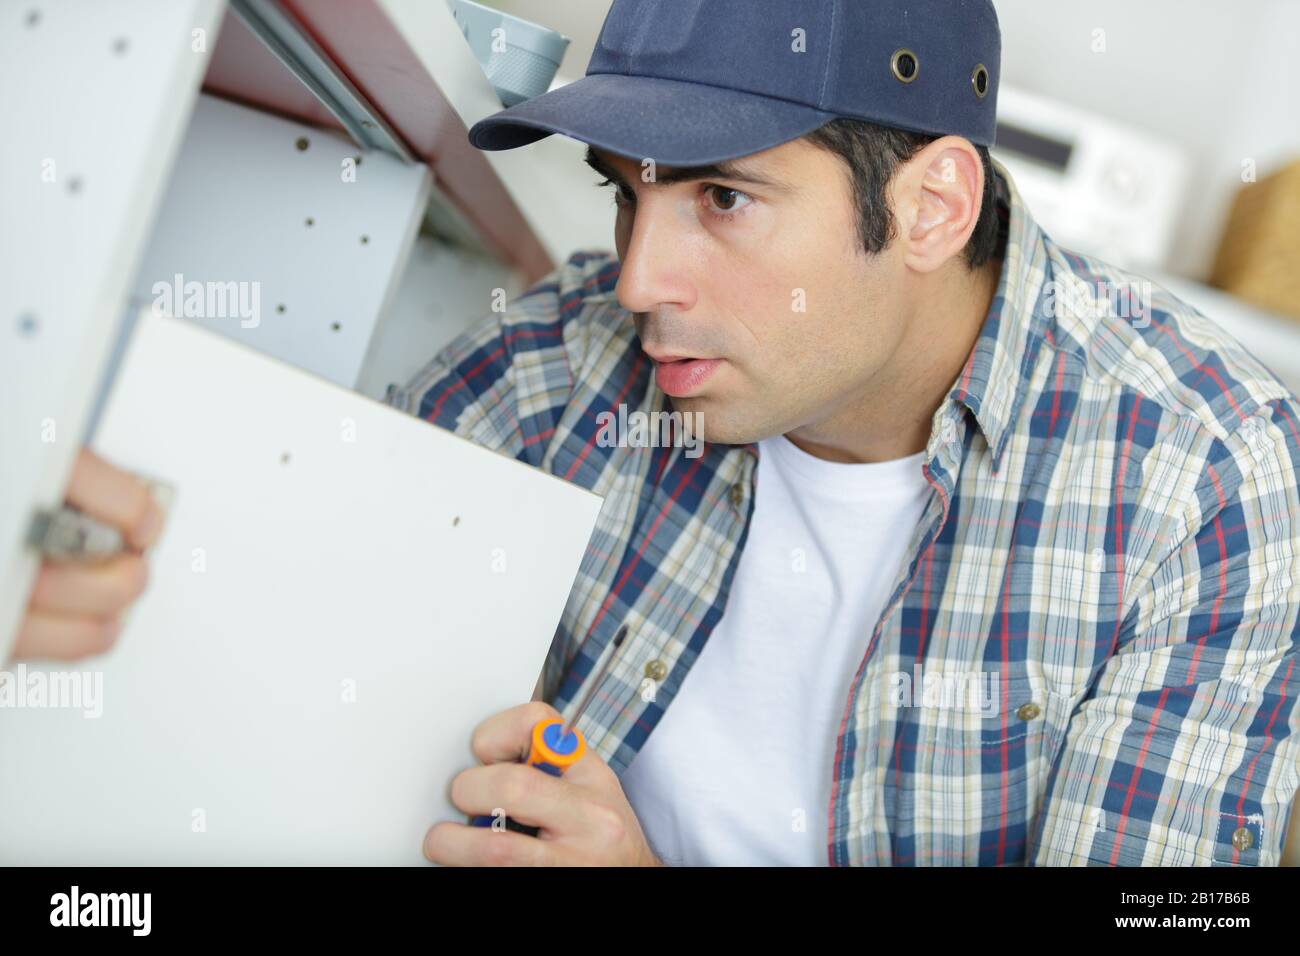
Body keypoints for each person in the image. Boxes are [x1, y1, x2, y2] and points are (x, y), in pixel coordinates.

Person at [13, 0, 1300, 866]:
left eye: (724, 198)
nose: (637, 279)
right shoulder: (562, 356)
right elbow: (263, 605)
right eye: (627, 194)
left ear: (930, 207)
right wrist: (73, 574)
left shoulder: (1208, 477)